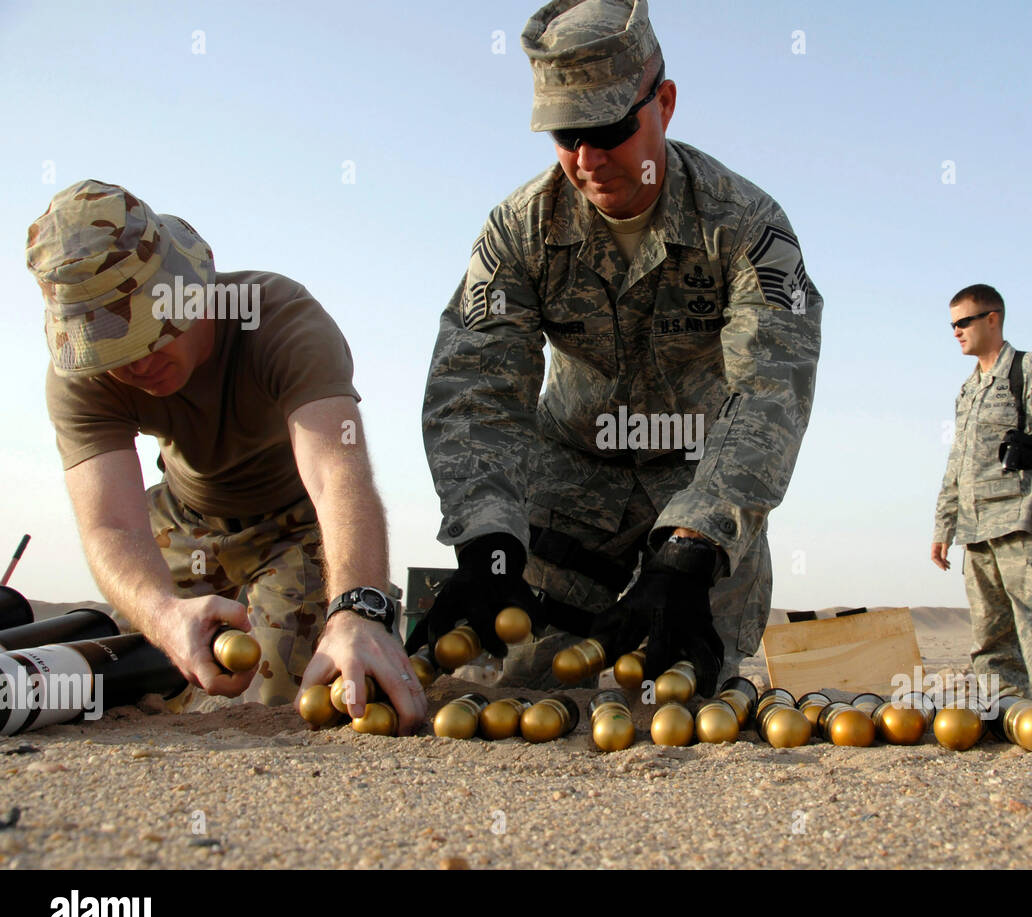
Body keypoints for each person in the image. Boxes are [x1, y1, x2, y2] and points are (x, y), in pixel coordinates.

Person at [420, 0, 821, 697]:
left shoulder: (748, 227)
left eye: (609, 129)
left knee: (687, 689)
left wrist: (692, 548)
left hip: (699, 482)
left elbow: (767, 397)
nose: (587, 159)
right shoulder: (518, 231)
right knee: (535, 693)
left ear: (663, 104)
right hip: (570, 490)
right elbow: (476, 389)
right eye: (565, 135)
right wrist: (486, 537)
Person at [30, 180, 425, 733]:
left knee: (296, 699)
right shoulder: (83, 379)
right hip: (181, 518)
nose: (136, 366)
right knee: (117, 684)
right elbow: (111, 526)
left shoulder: (280, 320)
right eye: (113, 350)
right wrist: (164, 616)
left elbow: (339, 474)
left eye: (149, 332)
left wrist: (359, 608)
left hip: (295, 530)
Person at [931, 283, 1032, 705]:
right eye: (951, 325)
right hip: (977, 533)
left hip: (1024, 527)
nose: (956, 332)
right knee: (990, 644)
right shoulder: (967, 391)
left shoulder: (1031, 370)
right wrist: (943, 525)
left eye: (964, 322)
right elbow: (958, 463)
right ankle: (1010, 719)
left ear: (993, 319)